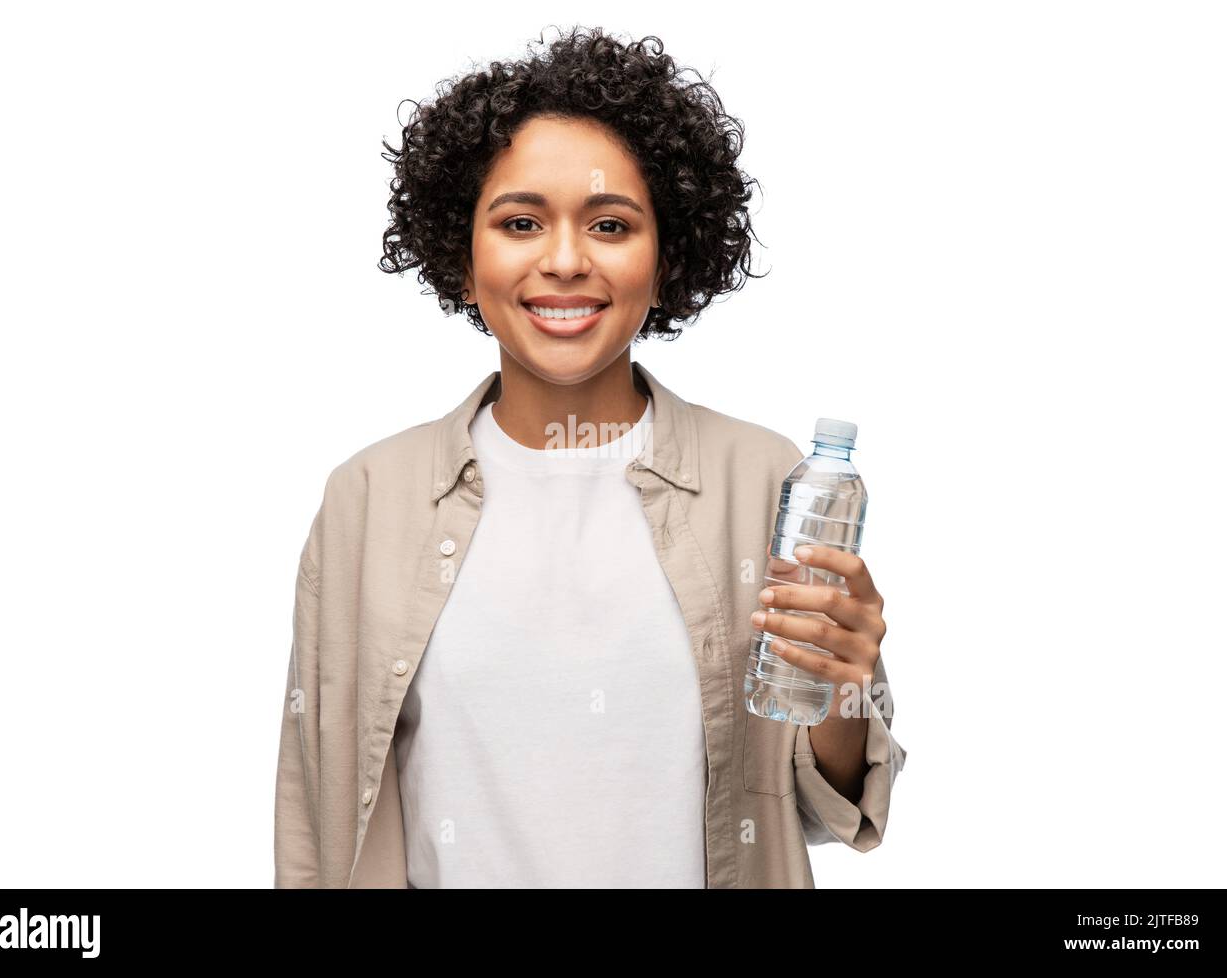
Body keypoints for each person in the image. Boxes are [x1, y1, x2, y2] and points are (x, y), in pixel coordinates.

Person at [274, 25, 906, 889]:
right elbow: (316, 814)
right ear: (463, 260)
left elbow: (830, 805)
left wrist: (844, 682)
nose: (565, 261)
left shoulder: (765, 479)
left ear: (665, 258)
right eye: (521, 222)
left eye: (610, 224)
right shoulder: (369, 499)